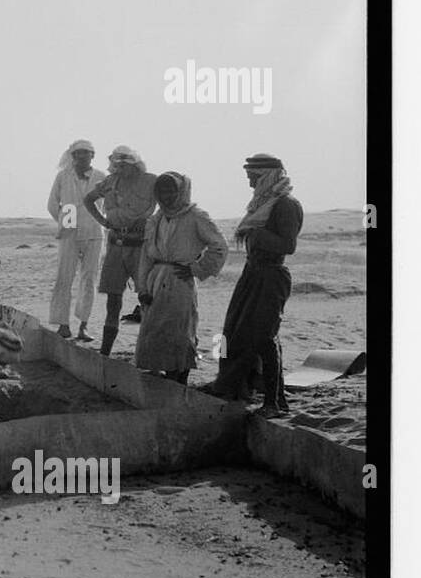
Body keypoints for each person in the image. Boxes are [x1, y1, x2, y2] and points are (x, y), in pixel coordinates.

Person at [205, 154, 304, 417]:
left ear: (267, 176)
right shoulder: (263, 204)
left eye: (253, 178)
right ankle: (239, 386)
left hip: (271, 276)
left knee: (264, 338)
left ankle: (273, 402)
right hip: (253, 274)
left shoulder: (285, 205)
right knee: (236, 331)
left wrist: (259, 234)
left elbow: (288, 246)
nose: (250, 185)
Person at [133, 173, 228, 384]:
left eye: (170, 191)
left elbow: (219, 245)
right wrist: (142, 288)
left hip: (179, 281)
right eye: (162, 192)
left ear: (181, 191)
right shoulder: (155, 219)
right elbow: (146, 256)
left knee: (180, 330)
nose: (166, 197)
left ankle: (179, 378)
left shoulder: (196, 217)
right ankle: (164, 375)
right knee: (155, 329)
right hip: (155, 281)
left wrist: (198, 269)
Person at [84, 145, 159, 356]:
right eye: (117, 164)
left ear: (135, 164)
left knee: (146, 297)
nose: (120, 168)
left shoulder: (151, 181)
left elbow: (172, 199)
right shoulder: (110, 182)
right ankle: (105, 352)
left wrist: (154, 225)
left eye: (124, 164)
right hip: (116, 244)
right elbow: (88, 200)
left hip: (141, 247)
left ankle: (149, 353)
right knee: (113, 300)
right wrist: (103, 221)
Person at [47, 140, 105, 341]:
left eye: (86, 153)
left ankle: (83, 326)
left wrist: (101, 221)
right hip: (69, 234)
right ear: (72, 156)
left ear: (92, 155)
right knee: (64, 278)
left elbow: (107, 204)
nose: (81, 157)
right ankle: (63, 324)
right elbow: (53, 203)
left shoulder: (100, 177)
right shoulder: (63, 176)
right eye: (77, 153)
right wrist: (65, 221)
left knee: (89, 279)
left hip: (94, 233)